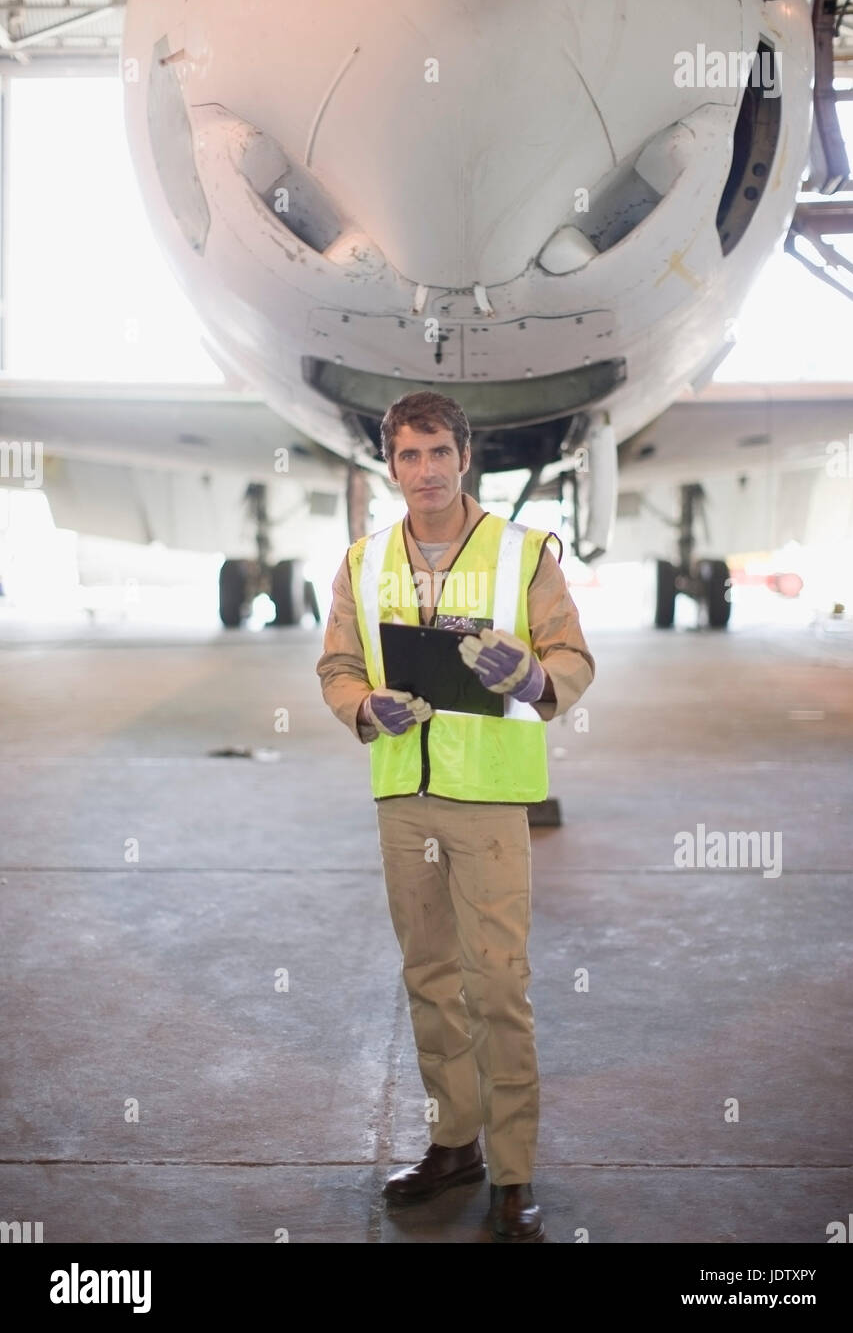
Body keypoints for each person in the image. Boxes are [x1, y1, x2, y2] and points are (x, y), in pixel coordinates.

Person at [316, 390, 595, 1242]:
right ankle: (454, 1142)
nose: (425, 471)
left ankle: (513, 1174)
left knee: (497, 985)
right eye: (409, 456)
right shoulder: (362, 562)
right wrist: (366, 709)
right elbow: (336, 664)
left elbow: (572, 660)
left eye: (439, 452)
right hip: (405, 799)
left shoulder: (523, 554)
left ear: (464, 456)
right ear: (390, 464)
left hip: (490, 803)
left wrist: (531, 678)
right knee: (428, 978)